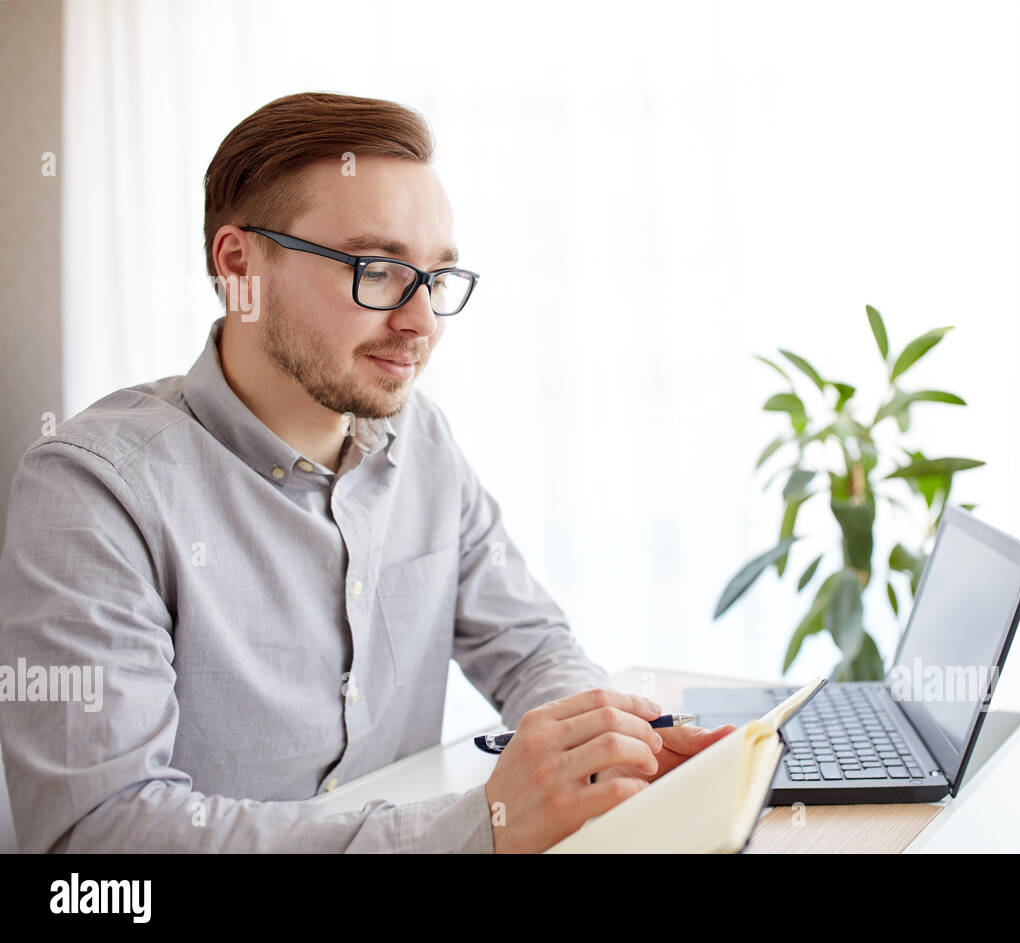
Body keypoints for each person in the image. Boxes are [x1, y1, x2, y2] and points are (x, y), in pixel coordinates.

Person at [0, 91, 734, 853]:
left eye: (438, 278)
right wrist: (478, 825)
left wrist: (613, 743)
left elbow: (529, 644)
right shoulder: (94, 491)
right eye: (378, 270)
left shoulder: (422, 443)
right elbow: (99, 838)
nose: (421, 323)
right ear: (239, 262)